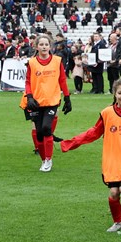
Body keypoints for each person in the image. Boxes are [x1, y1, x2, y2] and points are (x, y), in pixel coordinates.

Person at [59, 78, 121, 233]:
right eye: (120, 92)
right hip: (112, 160)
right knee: (114, 192)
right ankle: (118, 223)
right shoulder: (107, 113)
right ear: (114, 94)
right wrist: (72, 143)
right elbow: (94, 132)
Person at [19, 33, 72, 172]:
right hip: (36, 102)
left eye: (46, 44)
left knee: (46, 128)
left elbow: (62, 80)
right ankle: (43, 160)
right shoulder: (32, 62)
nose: (44, 46)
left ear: (50, 46)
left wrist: (67, 98)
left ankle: (48, 159)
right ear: (36, 46)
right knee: (39, 133)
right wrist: (29, 97)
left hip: (52, 100)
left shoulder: (57, 61)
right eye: (41, 44)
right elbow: (28, 81)